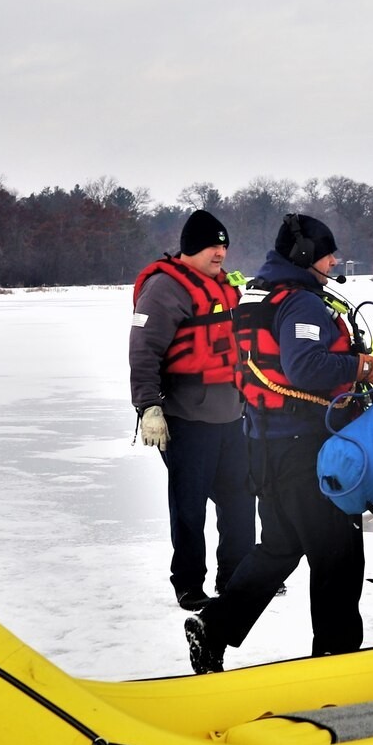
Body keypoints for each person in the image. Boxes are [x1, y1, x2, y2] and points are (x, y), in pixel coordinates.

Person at [185, 215, 373, 674]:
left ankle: (215, 626)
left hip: (262, 443)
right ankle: (334, 663)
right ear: (303, 256)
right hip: (303, 448)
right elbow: (305, 369)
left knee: (280, 545)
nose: (334, 261)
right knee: (337, 553)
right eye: (326, 254)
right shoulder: (301, 303)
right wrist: (363, 367)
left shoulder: (260, 294)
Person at [130, 209, 256, 611]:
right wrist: (148, 406)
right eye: (211, 246)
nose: (220, 253)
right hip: (186, 420)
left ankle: (238, 575)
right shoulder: (165, 289)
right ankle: (187, 582)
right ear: (190, 249)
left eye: (223, 245)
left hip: (231, 415)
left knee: (240, 500)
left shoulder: (223, 287)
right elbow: (143, 351)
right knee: (189, 508)